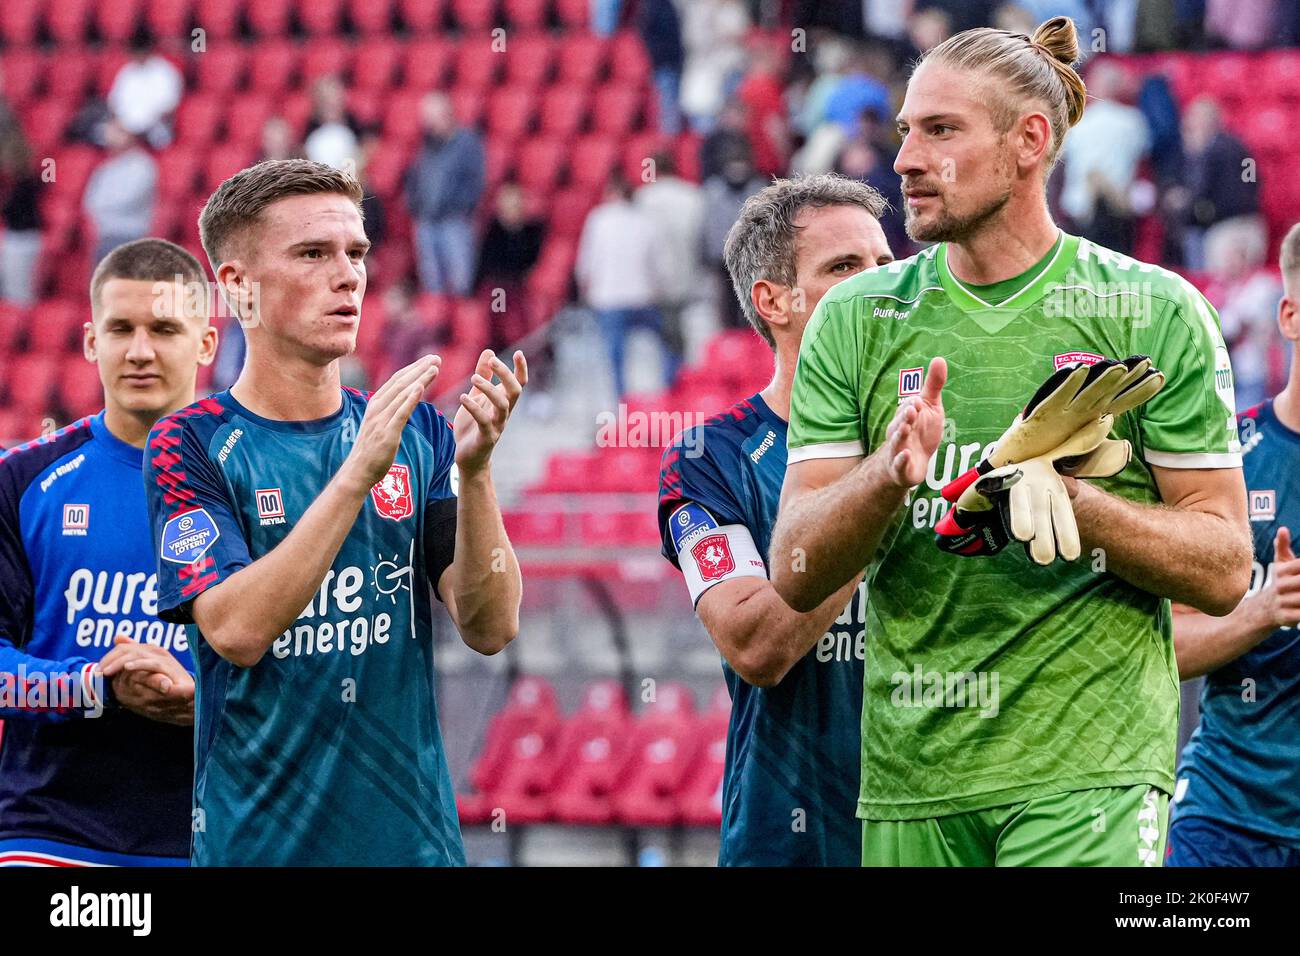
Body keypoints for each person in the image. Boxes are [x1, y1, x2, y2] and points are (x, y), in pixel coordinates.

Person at [769, 17, 1252, 867]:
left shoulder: (1157, 310)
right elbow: (795, 568)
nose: (906, 158)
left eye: (941, 130)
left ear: (1030, 140)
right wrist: (887, 477)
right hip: (914, 777)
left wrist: (1077, 504)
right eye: (907, 129)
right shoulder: (855, 317)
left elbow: (1222, 570)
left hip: (1091, 775)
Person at [142, 159, 524, 866]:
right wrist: (356, 474)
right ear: (238, 289)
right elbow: (236, 629)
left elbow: (492, 626)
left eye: (356, 253)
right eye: (313, 254)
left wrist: (475, 474)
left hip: (417, 848)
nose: (348, 274)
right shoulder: (188, 443)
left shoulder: (416, 434)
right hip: (259, 849)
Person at [658, 174, 893, 866]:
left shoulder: (960, 434)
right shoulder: (711, 459)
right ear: (773, 300)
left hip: (946, 835)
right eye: (846, 268)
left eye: (886, 264)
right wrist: (883, 487)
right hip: (795, 840)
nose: (881, 286)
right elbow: (758, 646)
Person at [0, 238, 216, 866]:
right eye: (121, 328)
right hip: (51, 832)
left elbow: (308, 668)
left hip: (214, 835)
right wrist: (94, 686)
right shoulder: (20, 482)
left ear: (204, 344)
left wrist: (209, 700)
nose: (140, 350)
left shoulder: (254, 482)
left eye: (165, 329)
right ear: (92, 341)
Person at [1167, 222, 1300, 867]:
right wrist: (1261, 612)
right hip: (1225, 821)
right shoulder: (1228, 460)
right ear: (1290, 315)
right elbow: (1166, 646)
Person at [575, 173, 676, 399]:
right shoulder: (647, 220)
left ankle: (622, 401)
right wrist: (661, 290)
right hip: (643, 298)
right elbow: (661, 264)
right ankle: (670, 390)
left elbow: (586, 262)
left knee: (615, 356)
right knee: (668, 343)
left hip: (609, 299)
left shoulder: (598, 219)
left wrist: (584, 291)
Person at [1059, 59, 1151, 255]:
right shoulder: (1134, 121)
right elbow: (1143, 162)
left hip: (1083, 207)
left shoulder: (1077, 121)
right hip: (1119, 205)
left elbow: (1060, 162)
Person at [404, 92, 485, 297]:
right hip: (426, 218)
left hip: (453, 219)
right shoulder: (427, 144)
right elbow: (416, 174)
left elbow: (475, 181)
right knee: (432, 280)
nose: (428, 123)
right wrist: (413, 202)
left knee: (460, 279)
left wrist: (459, 206)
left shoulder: (467, 143)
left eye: (431, 118)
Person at [475, 181, 544, 352]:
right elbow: (485, 263)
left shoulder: (532, 230)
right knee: (497, 317)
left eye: (515, 204)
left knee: (521, 323)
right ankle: (499, 351)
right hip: (499, 287)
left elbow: (530, 261)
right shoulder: (492, 230)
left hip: (519, 287)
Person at [83, 120, 158, 265]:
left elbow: (128, 199)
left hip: (130, 237)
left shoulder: (143, 165)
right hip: (104, 235)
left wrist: (103, 206)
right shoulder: (107, 167)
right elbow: (90, 200)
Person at [106, 38, 183, 148]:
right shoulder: (127, 71)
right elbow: (115, 101)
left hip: (154, 127)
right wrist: (121, 123)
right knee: (107, 133)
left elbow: (168, 106)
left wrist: (139, 126)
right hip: (125, 127)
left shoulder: (165, 72)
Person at [0, 123, 43, 305]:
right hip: (14, 237)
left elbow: (12, 212)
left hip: (24, 238)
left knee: (19, 293)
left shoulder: (31, 185)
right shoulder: (17, 185)